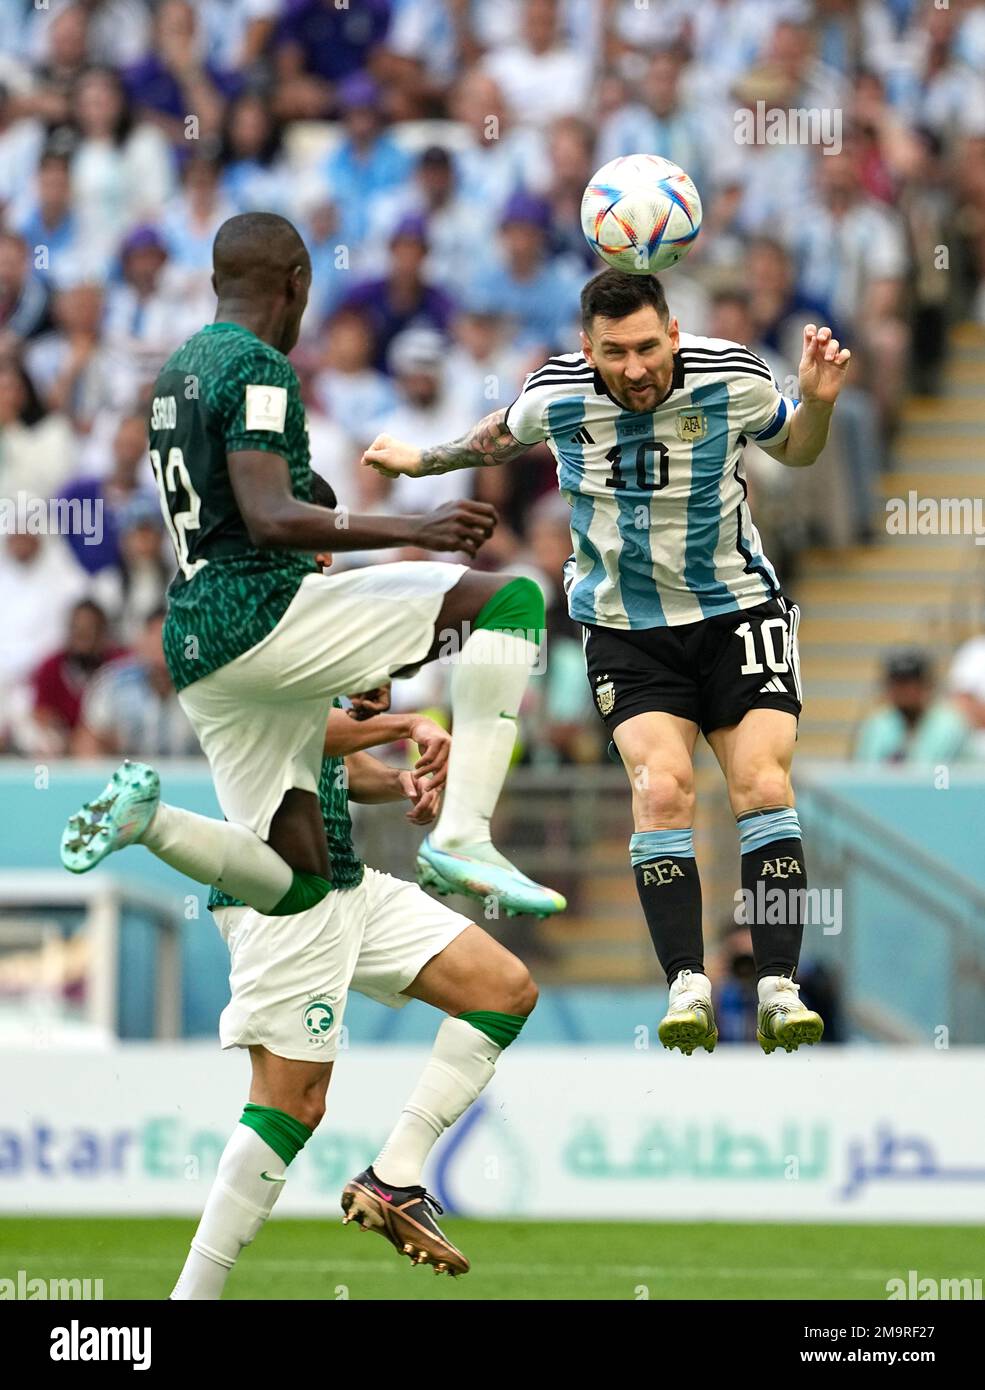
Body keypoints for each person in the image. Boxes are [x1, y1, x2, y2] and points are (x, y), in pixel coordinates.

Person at [364, 268, 855, 1055]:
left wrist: (818, 403)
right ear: (587, 349)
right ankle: (686, 982)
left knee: (762, 785)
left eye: (648, 347)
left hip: (737, 612)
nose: (635, 368)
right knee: (660, 789)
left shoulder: (732, 375)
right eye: (615, 353)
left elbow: (795, 451)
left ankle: (777, 984)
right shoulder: (557, 393)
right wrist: (421, 461)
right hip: (627, 628)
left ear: (673, 332)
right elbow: (497, 435)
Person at [61, 210, 565, 928]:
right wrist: (413, 526)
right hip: (260, 615)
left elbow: (243, 505)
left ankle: (152, 821)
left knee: (299, 881)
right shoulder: (258, 365)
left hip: (199, 646)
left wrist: (354, 659)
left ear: (217, 282)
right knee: (512, 600)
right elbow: (270, 515)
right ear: (297, 284)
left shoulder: (176, 372)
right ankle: (463, 834)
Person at [170, 700, 538, 1296]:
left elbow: (331, 759)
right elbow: (302, 728)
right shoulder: (263, 648)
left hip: (348, 882)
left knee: (502, 988)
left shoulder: (324, 656)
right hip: (282, 894)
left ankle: (392, 1177)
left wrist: (397, 780)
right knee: (291, 1106)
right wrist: (407, 725)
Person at [854, 649, 970, 765]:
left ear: (926, 685)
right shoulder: (878, 726)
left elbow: (944, 773)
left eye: (910, 683)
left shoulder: (950, 726)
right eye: (897, 682)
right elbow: (865, 769)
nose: (903, 690)